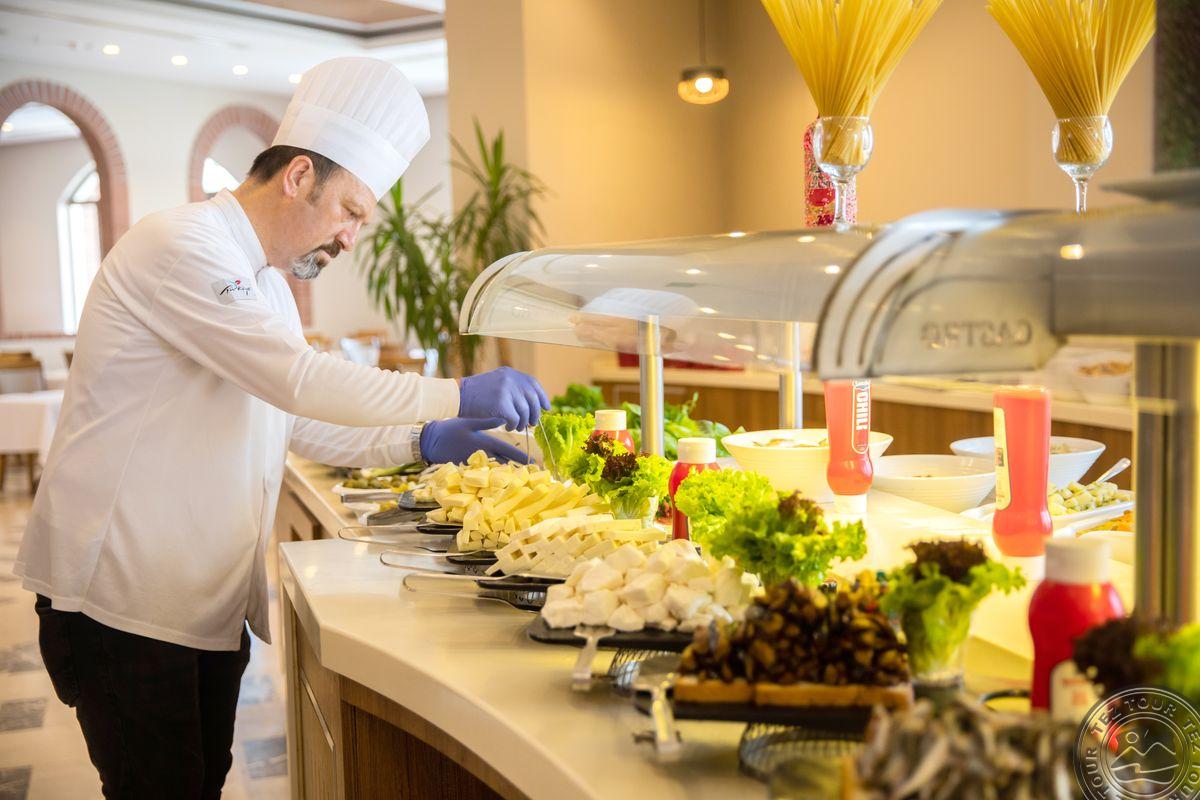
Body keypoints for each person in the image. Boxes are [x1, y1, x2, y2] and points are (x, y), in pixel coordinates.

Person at [13, 57, 547, 799]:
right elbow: (300, 380)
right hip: (121, 600)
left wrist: (420, 441)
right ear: (299, 176)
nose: (352, 238)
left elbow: (290, 417)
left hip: (200, 601)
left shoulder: (264, 283)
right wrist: (454, 394)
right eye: (350, 211)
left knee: (199, 785)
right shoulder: (180, 244)